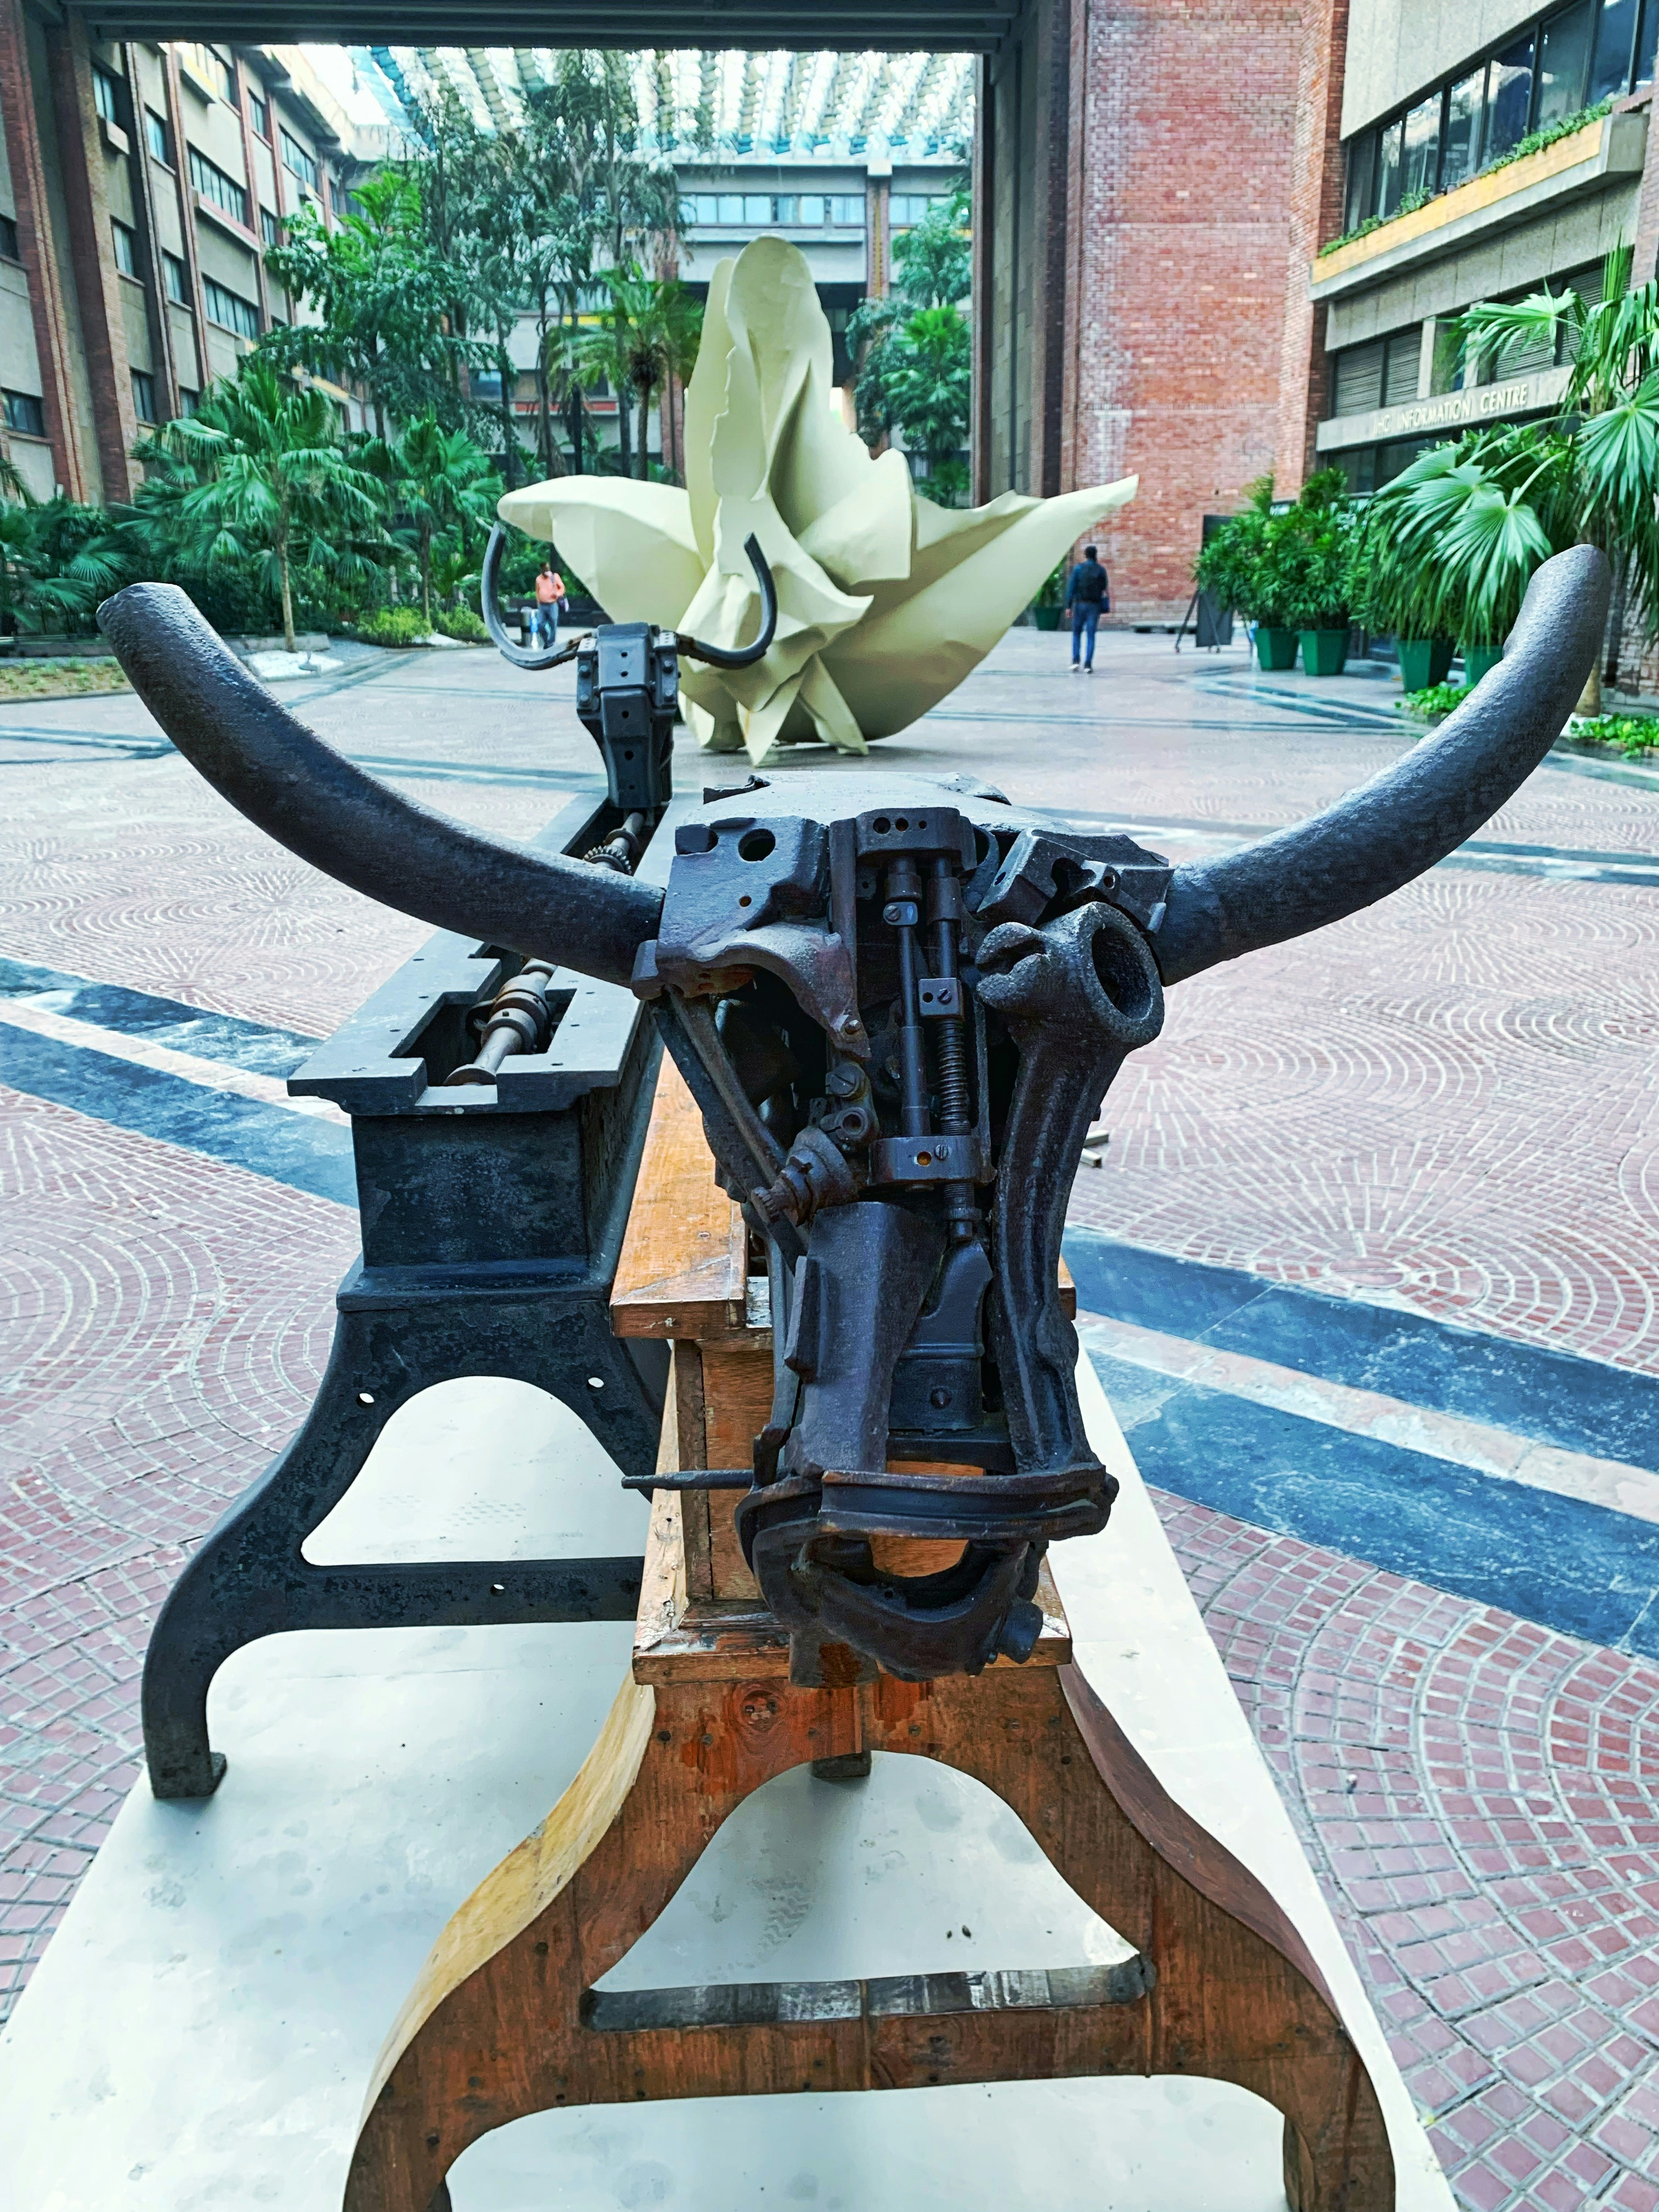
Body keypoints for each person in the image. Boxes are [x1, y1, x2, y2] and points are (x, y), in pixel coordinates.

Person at [1065, 543, 1109, 673]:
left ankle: (1075, 661)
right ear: (1096, 555)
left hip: (1080, 604)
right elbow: (1104, 587)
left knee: (1077, 633)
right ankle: (1088, 664)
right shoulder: (1101, 570)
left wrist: (1069, 606)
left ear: (1085, 555)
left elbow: (1072, 588)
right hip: (1094, 606)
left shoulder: (1079, 569)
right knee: (1091, 634)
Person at [533, 558, 566, 649]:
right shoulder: (539, 579)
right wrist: (539, 603)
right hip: (543, 605)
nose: (547, 570)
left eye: (548, 568)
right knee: (540, 624)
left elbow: (562, 588)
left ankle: (551, 643)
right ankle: (546, 640)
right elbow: (537, 591)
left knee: (553, 622)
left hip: (553, 604)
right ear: (542, 570)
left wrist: (558, 594)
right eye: (545, 569)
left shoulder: (554, 577)